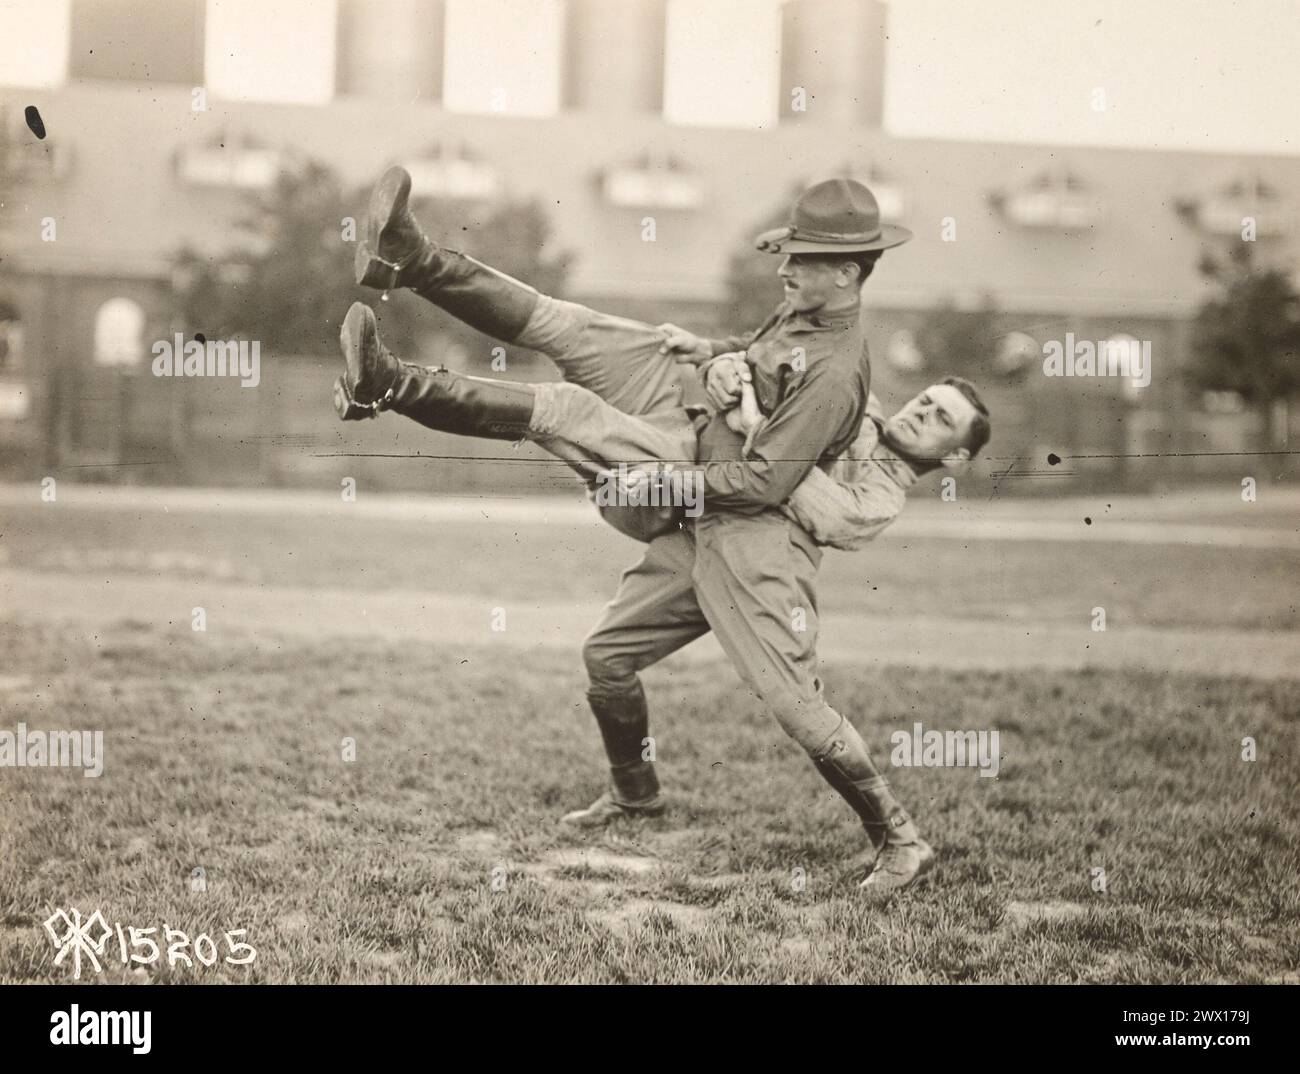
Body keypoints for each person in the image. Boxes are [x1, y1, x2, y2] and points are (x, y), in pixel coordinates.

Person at [337, 169, 992, 891]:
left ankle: (901, 841)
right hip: (701, 447)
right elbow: (761, 363)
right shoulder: (805, 315)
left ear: (846, 272)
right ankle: (407, 257)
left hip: (752, 537)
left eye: (802, 259)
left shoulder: (842, 380)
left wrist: (675, 473)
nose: (785, 266)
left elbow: (768, 481)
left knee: (800, 711)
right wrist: (716, 356)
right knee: (573, 334)